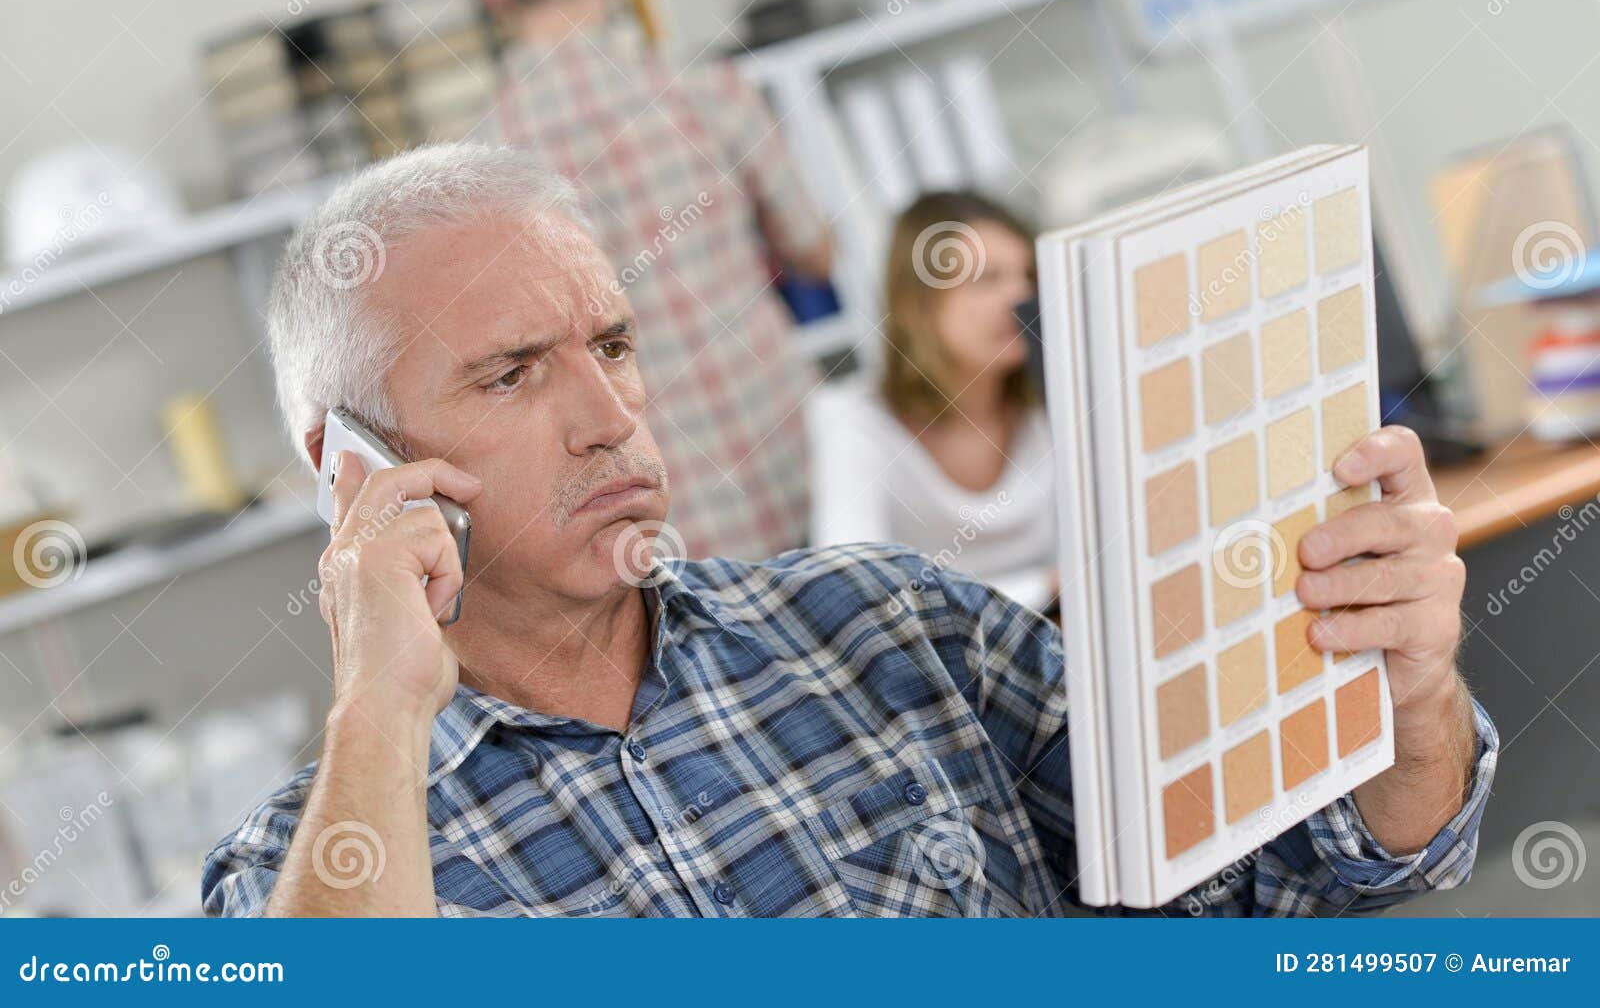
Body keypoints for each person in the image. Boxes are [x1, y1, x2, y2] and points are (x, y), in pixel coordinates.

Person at [203, 144, 1494, 917]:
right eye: (511, 375)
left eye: (613, 346)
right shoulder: (297, 864)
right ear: (353, 466)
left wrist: (1408, 691)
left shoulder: (891, 626)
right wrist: (380, 702)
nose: (610, 419)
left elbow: (1295, 887)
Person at [470, 0, 831, 562]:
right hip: (791, 453)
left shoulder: (482, 165)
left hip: (649, 502)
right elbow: (815, 254)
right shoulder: (709, 91)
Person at [808, 191, 1054, 610]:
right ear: (916, 304)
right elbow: (850, 600)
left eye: (1028, 276)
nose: (1020, 297)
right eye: (986, 279)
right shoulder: (853, 419)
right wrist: (1045, 587)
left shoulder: (1054, 399)